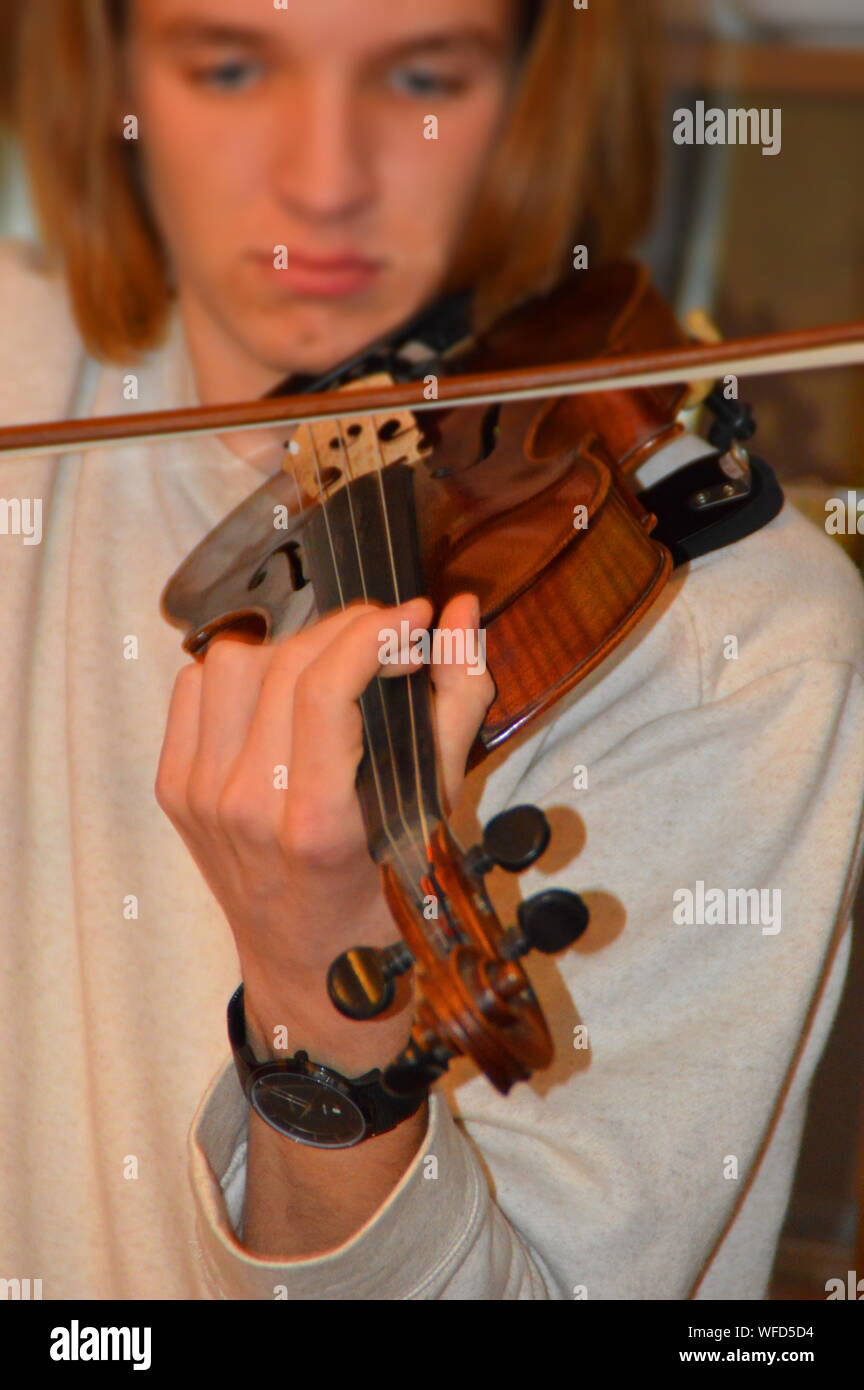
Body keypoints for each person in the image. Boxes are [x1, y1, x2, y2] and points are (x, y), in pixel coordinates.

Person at [2, 0, 863, 1302]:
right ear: (107, 70)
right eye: (231, 64)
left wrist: (324, 1027)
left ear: (528, 86)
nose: (327, 178)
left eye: (421, 72)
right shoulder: (26, 375)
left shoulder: (736, 645)